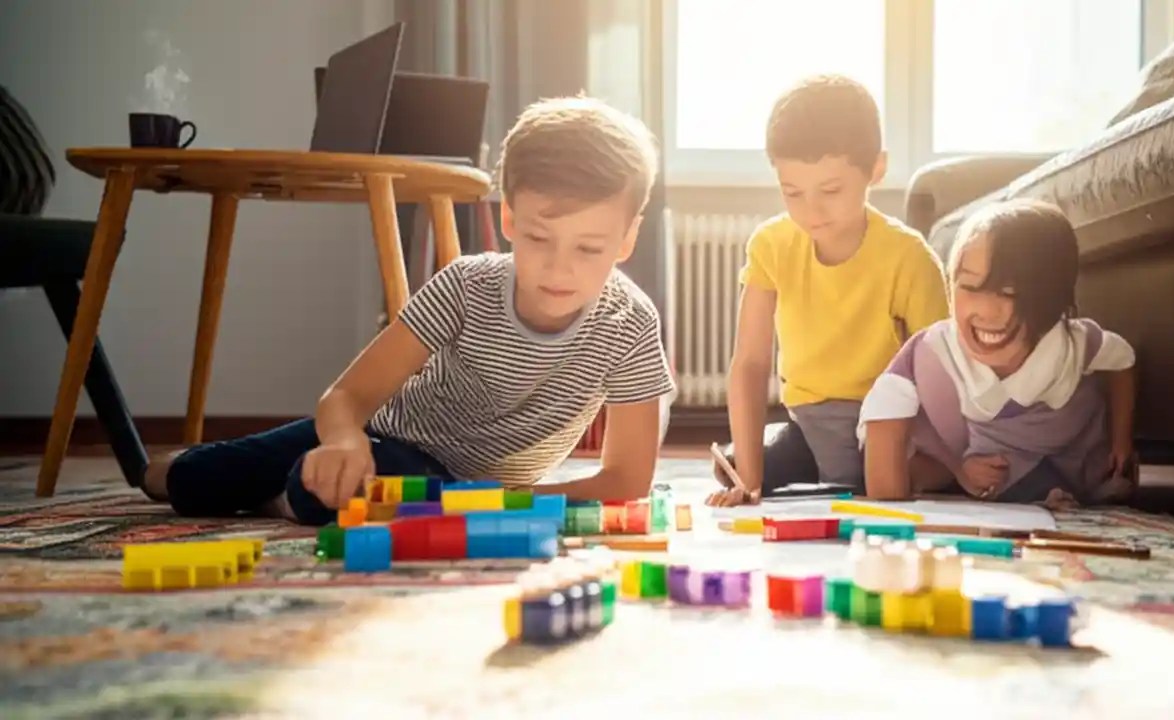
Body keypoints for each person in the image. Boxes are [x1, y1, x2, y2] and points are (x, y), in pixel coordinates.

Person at [141, 96, 676, 525]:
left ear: (628, 238)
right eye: (539, 237)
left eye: (589, 248)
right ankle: (190, 471)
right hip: (386, 436)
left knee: (334, 492)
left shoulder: (629, 323)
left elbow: (627, 481)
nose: (560, 270)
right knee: (182, 482)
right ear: (509, 218)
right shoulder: (468, 285)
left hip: (447, 479)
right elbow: (348, 396)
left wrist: (496, 502)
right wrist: (347, 439)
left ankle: (284, 496)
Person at [707, 74, 950, 507]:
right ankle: (828, 475)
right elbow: (750, 362)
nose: (811, 211)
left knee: (892, 482)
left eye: (831, 190)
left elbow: (944, 377)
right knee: (732, 465)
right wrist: (749, 481)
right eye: (792, 192)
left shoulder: (910, 257)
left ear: (876, 168)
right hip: (809, 424)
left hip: (884, 424)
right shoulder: (771, 244)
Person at [859, 199, 1138, 507]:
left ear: (1052, 297)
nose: (985, 311)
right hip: (983, 459)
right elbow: (883, 419)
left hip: (1072, 449)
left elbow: (1121, 361)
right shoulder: (932, 354)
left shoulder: (1073, 343)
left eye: (1008, 292)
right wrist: (956, 471)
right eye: (968, 287)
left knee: (1101, 480)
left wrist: (1121, 439)